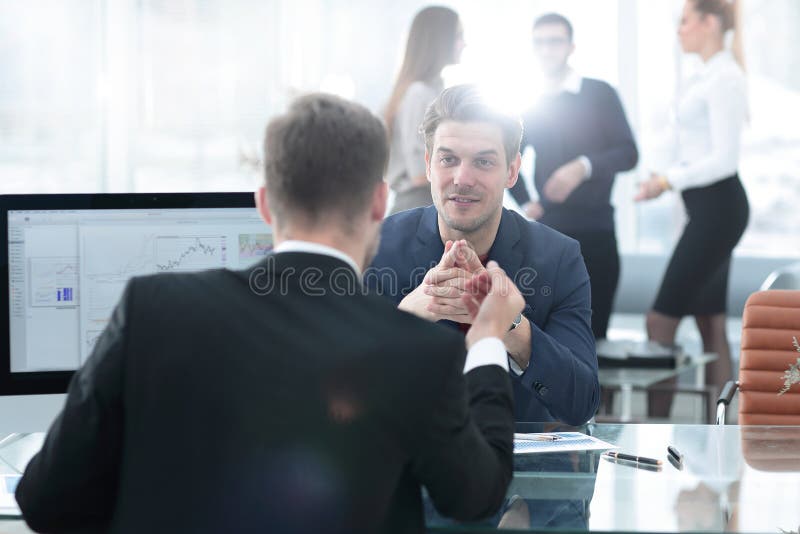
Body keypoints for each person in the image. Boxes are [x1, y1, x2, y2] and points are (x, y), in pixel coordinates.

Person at [15, 93, 522, 534]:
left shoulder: (149, 309)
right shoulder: (418, 349)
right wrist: (488, 340)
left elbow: (45, 500)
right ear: (377, 204)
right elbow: (475, 499)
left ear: (264, 203)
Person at [367, 84, 599, 425]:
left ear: (511, 170)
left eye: (483, 161)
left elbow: (582, 402)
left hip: (516, 467)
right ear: (429, 165)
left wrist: (509, 326)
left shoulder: (559, 258)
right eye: (448, 159)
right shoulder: (375, 249)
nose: (463, 179)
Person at [635, 0, 749, 418]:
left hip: (719, 211)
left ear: (709, 22)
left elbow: (724, 160)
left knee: (658, 323)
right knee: (710, 322)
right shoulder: (708, 75)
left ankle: (654, 432)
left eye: (684, 22)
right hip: (708, 210)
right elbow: (699, 155)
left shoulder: (724, 78)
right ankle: (721, 435)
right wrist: (663, 180)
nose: (679, 31)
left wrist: (667, 180)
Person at [508, 12, 639, 341]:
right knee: (548, 340)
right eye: (539, 42)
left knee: (595, 342)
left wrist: (582, 166)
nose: (547, 50)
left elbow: (628, 153)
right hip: (549, 236)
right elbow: (508, 156)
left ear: (571, 47)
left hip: (597, 233)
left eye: (555, 41)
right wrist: (526, 201)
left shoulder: (599, 93)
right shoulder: (533, 104)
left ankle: (598, 396)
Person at [385, 5, 465, 214]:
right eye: (458, 36)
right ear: (439, 40)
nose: (464, 44)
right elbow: (420, 174)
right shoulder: (418, 94)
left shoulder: (435, 90)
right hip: (416, 205)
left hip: (426, 203)